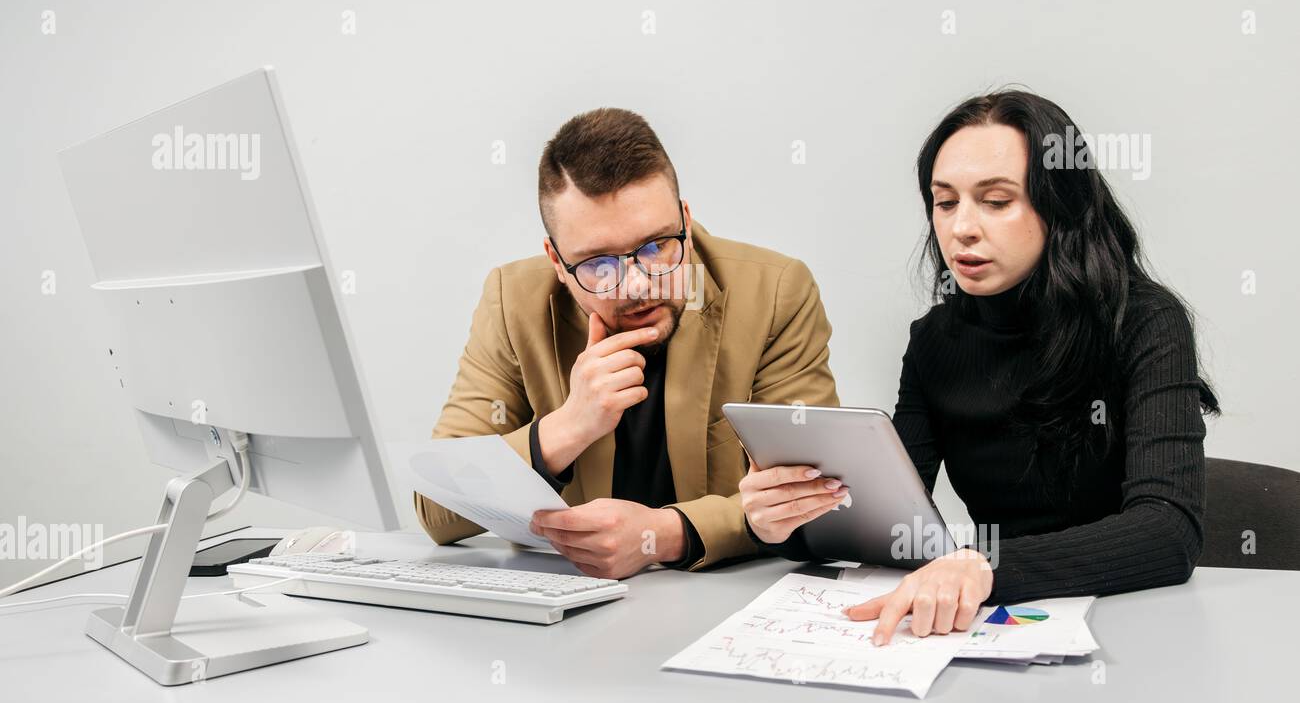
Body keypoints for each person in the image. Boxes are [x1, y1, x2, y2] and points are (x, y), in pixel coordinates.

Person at [741, 90, 1219, 645]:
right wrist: (782, 525)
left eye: (996, 201)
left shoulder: (1145, 322)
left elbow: (1168, 531)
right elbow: (894, 525)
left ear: (1057, 206)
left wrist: (985, 565)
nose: (962, 228)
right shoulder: (934, 341)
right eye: (946, 203)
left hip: (1140, 624)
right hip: (1003, 629)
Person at [417, 107, 841, 576]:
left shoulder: (775, 291)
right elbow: (437, 509)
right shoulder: (512, 299)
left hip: (728, 605)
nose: (637, 285)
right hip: (571, 614)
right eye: (598, 263)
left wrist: (662, 535)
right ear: (556, 261)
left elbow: (810, 499)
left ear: (685, 218)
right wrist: (568, 427)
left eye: (657, 246)